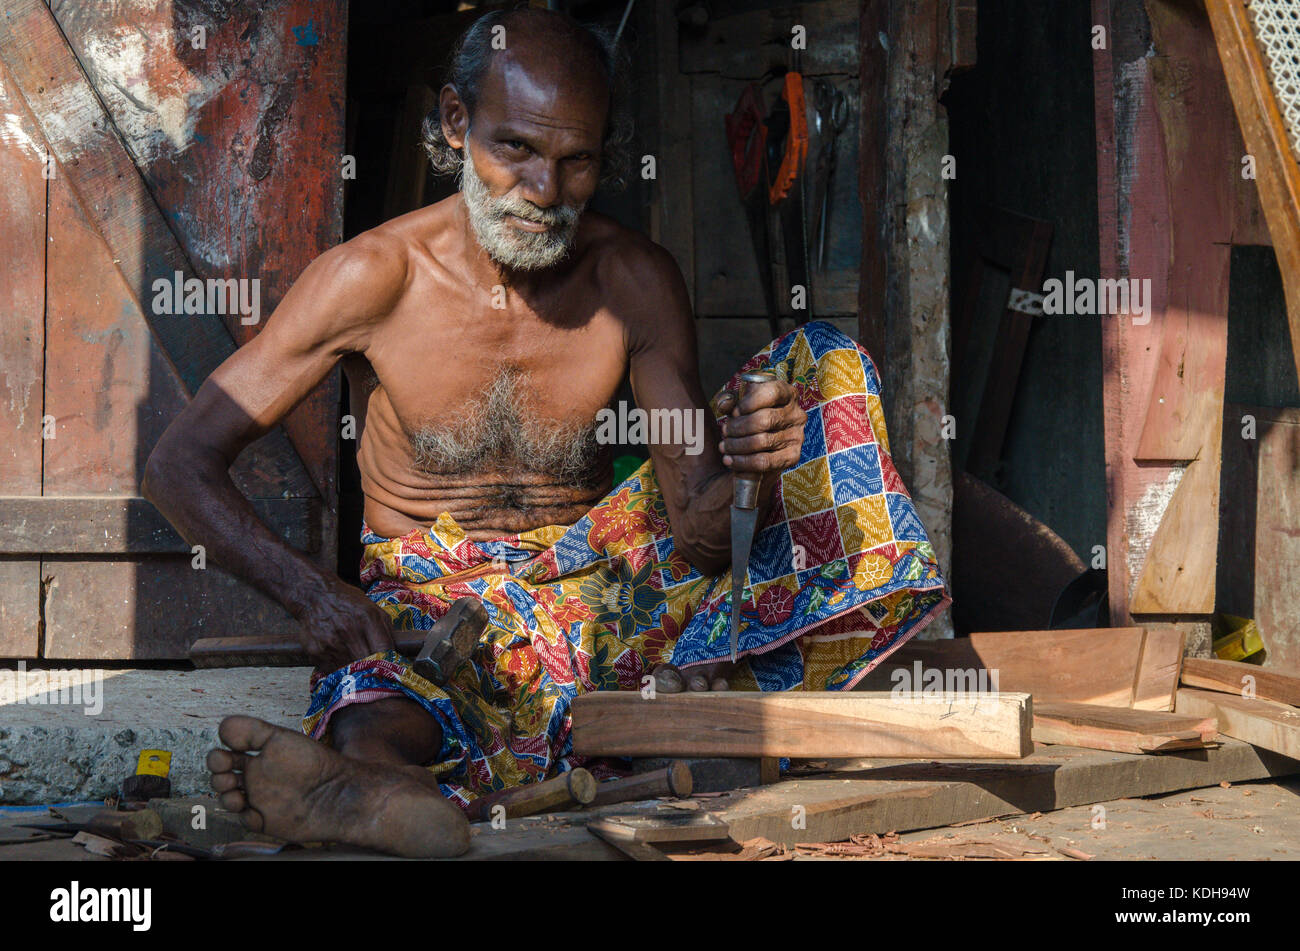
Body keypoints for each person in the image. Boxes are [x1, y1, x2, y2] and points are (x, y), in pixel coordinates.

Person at [143, 7, 948, 858]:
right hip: (437, 603)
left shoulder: (633, 280)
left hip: (599, 592)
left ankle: (575, 733)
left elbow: (703, 535)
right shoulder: (369, 278)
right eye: (515, 150)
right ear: (456, 124)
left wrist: (754, 468)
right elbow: (178, 466)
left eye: (576, 162)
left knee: (820, 369)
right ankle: (365, 781)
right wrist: (314, 593)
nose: (543, 191)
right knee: (385, 702)